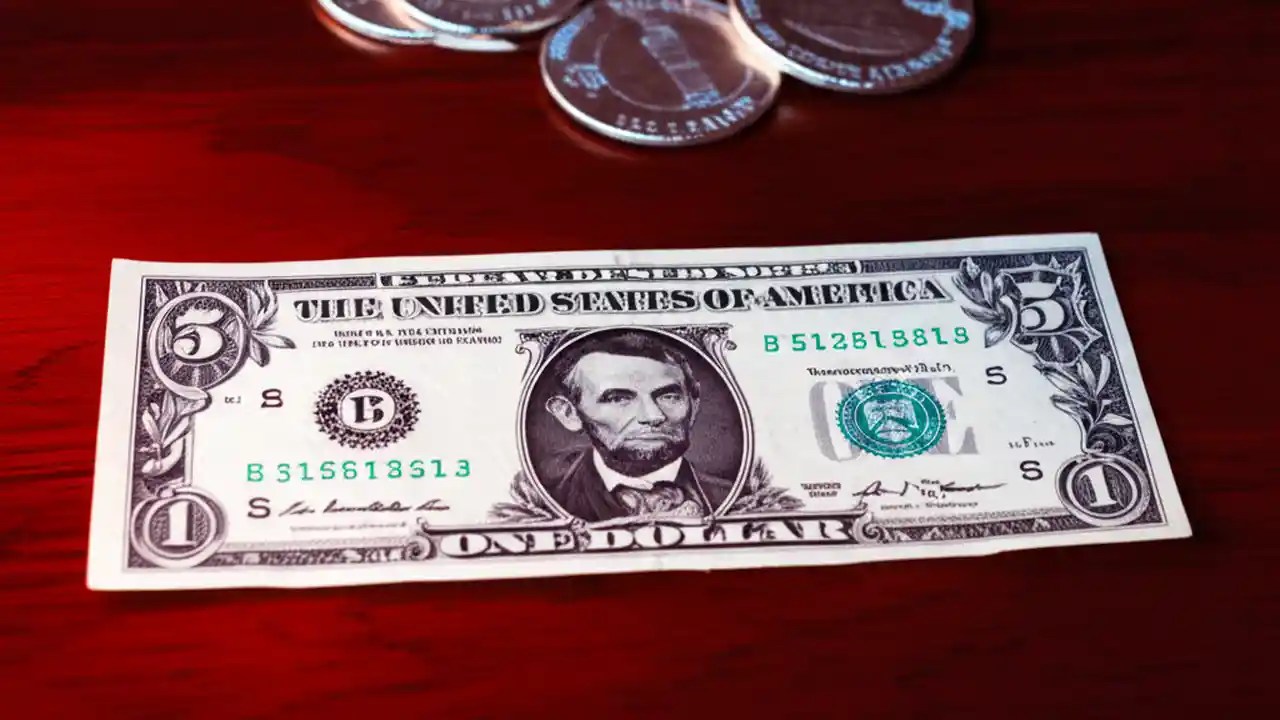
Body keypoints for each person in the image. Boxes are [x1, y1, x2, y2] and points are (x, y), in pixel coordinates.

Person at [539, 330, 733, 522]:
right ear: (569, 413)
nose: (653, 416)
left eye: (669, 397)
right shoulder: (540, 503)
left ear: (694, 402)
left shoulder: (740, 498)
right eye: (618, 398)